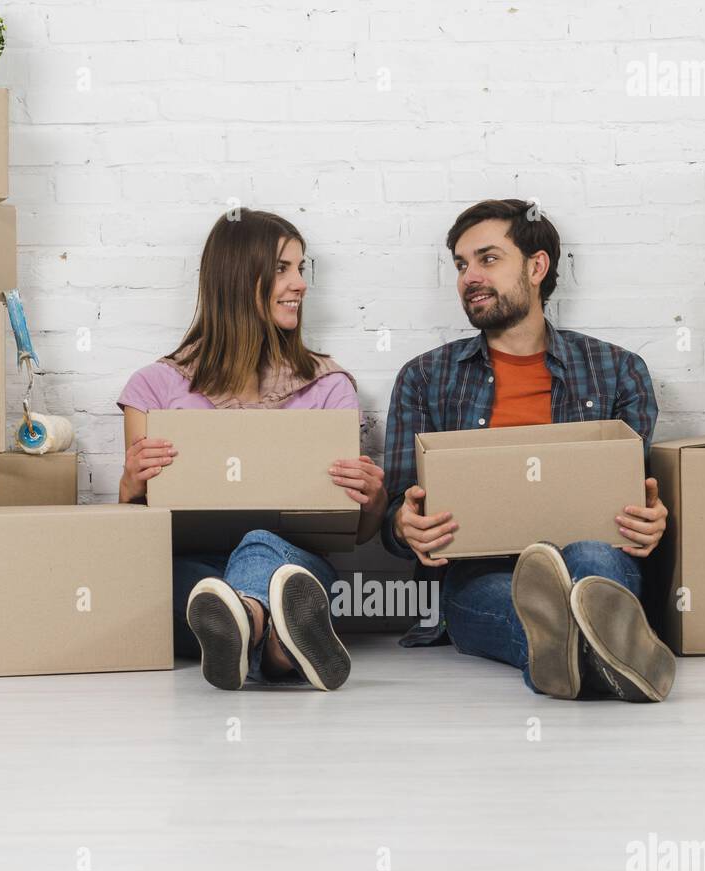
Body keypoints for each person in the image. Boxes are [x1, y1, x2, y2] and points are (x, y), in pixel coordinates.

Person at [381, 199, 676, 702]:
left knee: (588, 556)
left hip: (593, 554)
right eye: (460, 264)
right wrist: (403, 525)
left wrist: (650, 520)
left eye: (488, 259)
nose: (469, 276)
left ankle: (575, 660)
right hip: (480, 570)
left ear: (537, 267)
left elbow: (630, 497)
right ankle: (609, 657)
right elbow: (392, 518)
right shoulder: (425, 378)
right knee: (506, 594)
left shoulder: (618, 371)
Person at [118, 208, 387, 691]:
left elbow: (357, 532)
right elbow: (138, 532)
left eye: (301, 269)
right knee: (183, 583)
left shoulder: (328, 386)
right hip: (193, 565)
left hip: (291, 562)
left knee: (262, 549)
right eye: (284, 268)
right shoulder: (154, 388)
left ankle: (248, 623)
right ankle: (281, 648)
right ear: (239, 279)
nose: (301, 284)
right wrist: (128, 488)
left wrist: (373, 499)